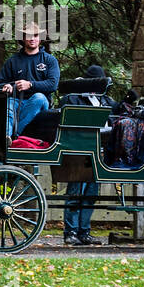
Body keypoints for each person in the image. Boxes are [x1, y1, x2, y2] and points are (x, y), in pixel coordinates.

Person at [61, 64, 116, 246]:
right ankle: (71, 232)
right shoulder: (74, 97)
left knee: (91, 192)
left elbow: (116, 111)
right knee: (75, 191)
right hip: (79, 149)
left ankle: (84, 231)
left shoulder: (104, 99)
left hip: (98, 151)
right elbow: (67, 111)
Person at [0, 22, 60, 140]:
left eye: (35, 35)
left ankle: (16, 137)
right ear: (23, 38)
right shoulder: (12, 61)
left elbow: (53, 84)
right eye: (28, 36)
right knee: (7, 103)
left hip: (40, 103)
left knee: (38, 97)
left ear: (40, 38)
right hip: (16, 101)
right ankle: (5, 139)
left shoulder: (50, 60)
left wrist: (30, 84)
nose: (32, 39)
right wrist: (6, 86)